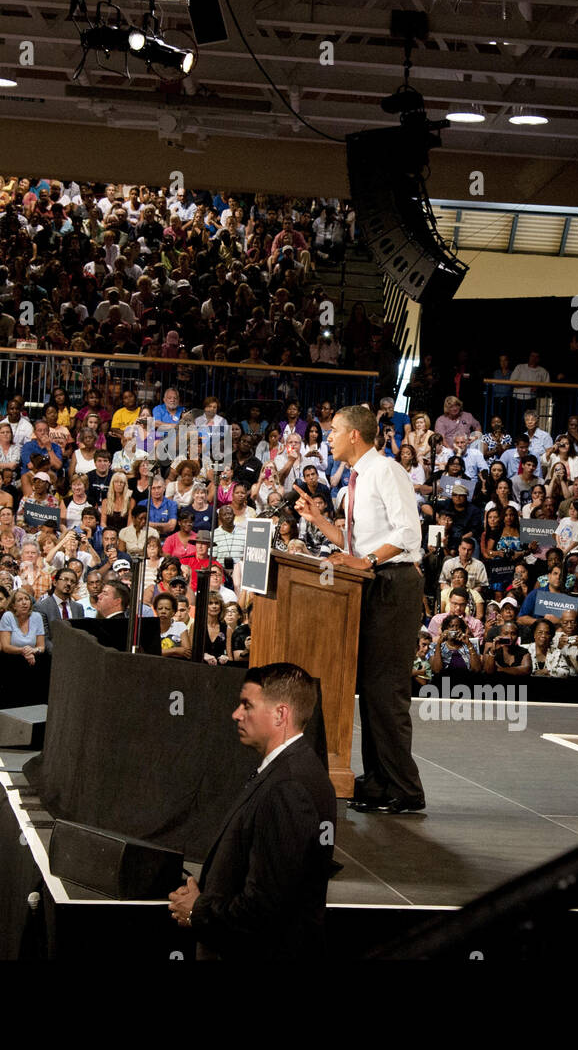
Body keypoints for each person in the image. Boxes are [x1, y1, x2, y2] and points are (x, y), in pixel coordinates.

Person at [294, 404, 426, 814]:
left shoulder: (386, 471)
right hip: (370, 584)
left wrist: (367, 562)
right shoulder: (353, 480)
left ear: (355, 435)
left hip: (394, 585)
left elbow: (408, 534)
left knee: (386, 690)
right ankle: (378, 781)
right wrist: (318, 520)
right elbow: (353, 548)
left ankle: (405, 788)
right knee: (369, 689)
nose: (328, 436)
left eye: (334, 430)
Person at [167, 663, 336, 960]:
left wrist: (198, 910)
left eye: (247, 705)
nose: (236, 714)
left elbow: (263, 907)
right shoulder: (286, 771)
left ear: (280, 714)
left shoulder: (288, 787)